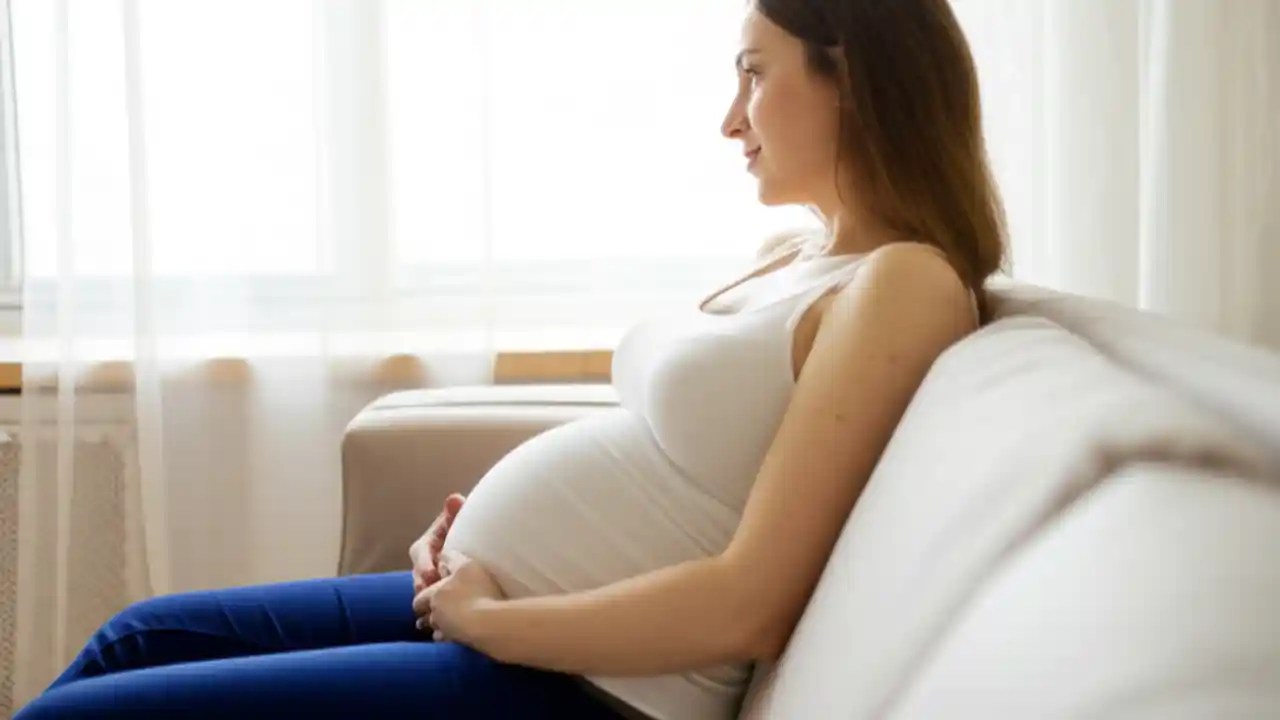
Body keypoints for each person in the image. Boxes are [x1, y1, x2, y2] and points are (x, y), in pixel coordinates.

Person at [15, 0, 1006, 718]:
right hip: (514, 626)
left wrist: (494, 622)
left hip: (589, 690)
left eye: (753, 69)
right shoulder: (796, 254)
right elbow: (673, 463)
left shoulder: (903, 284)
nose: (729, 116)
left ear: (856, 76)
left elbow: (749, 604)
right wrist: (482, 554)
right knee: (133, 638)